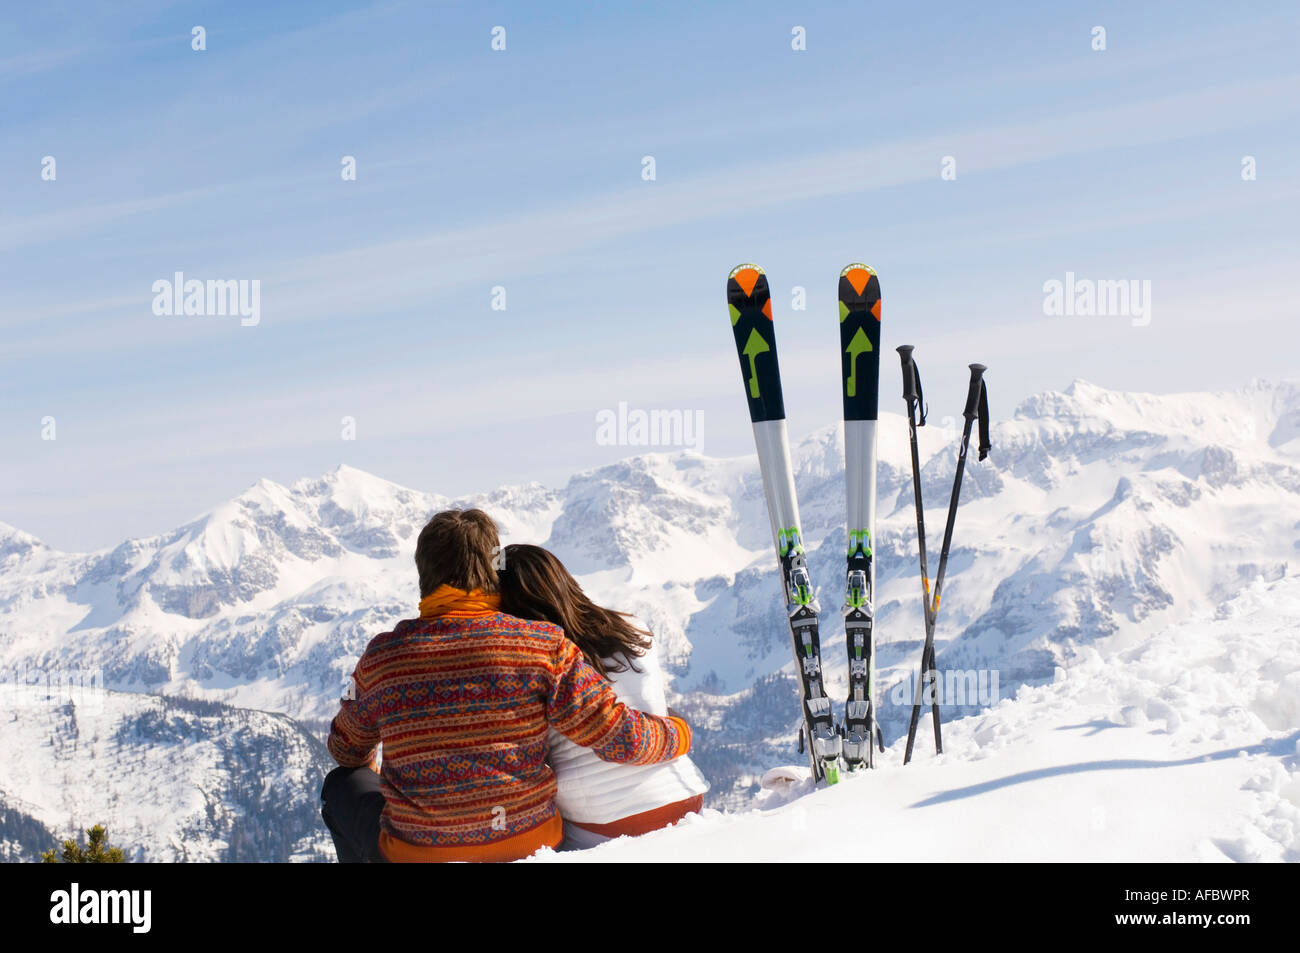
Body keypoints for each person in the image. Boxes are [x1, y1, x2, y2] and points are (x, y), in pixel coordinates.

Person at [320, 508, 692, 863]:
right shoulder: (542, 644)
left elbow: (345, 749)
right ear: (492, 570)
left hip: (419, 853)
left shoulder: (383, 656)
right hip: (532, 842)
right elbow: (622, 738)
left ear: (423, 573)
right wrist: (679, 732)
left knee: (341, 784)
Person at [497, 544, 709, 850]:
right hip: (682, 799)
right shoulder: (632, 629)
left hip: (600, 825)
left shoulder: (534, 661)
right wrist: (679, 731)